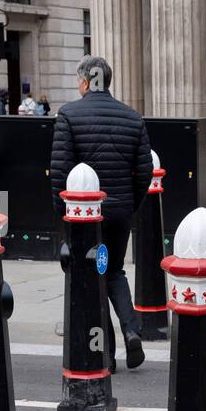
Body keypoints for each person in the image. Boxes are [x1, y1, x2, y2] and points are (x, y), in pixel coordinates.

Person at [50, 55, 153, 372]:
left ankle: (103, 350)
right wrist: (129, 204)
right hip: (121, 208)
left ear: (84, 81)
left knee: (87, 276)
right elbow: (145, 171)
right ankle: (131, 329)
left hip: (83, 214)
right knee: (114, 271)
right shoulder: (132, 117)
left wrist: (64, 215)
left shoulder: (68, 115)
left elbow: (59, 171)